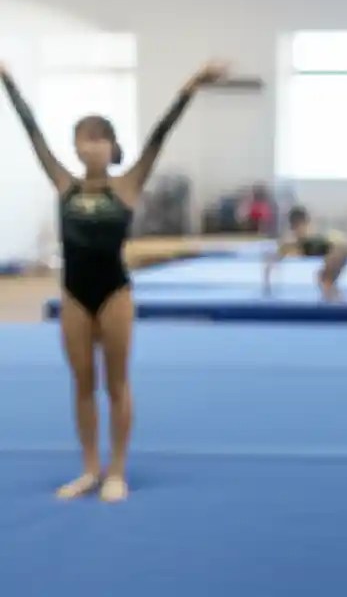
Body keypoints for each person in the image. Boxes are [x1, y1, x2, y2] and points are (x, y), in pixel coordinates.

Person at [2, 59, 228, 502]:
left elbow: (160, 134)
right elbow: (32, 135)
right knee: (82, 384)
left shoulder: (127, 187)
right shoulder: (63, 185)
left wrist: (190, 86)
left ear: (111, 146)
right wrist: (8, 80)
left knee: (116, 383)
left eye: (99, 140)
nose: (91, 149)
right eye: (84, 141)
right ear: (75, 147)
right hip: (73, 295)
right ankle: (90, 468)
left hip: (114, 294)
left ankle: (117, 470)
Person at [265, 206, 347, 302]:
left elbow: (343, 249)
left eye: (301, 225)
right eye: (296, 226)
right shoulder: (288, 247)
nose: (300, 229)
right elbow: (272, 262)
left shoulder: (319, 242)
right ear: (293, 227)